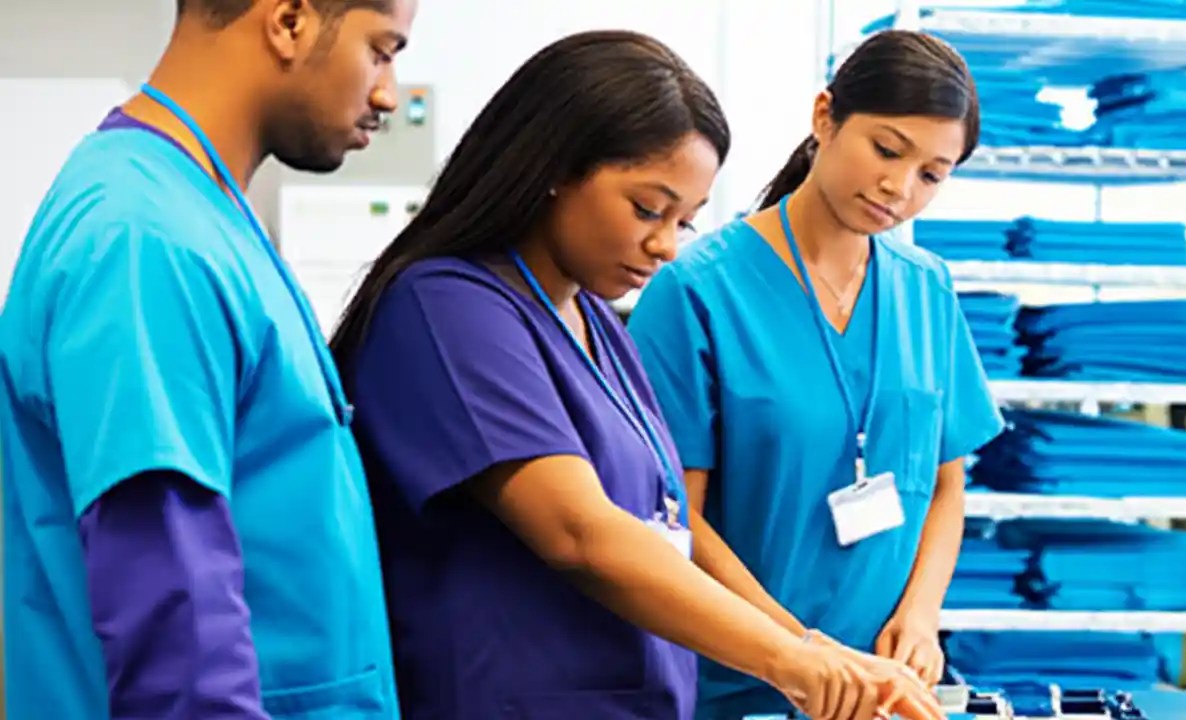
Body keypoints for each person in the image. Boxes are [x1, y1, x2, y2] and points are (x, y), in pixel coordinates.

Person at [329, 29, 944, 720]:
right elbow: (581, 533)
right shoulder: (448, 308)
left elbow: (665, 527)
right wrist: (794, 659)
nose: (665, 245)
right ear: (555, 166)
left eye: (685, 220)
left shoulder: (596, 322)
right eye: (648, 209)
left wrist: (817, 651)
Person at [0, 1, 416, 718]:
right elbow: (173, 612)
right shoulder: (141, 237)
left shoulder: (202, 209)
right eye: (381, 50)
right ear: (288, 20)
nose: (388, 92)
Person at [627, 29, 1005, 720]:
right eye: (887, 151)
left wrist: (920, 617)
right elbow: (676, 524)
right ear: (824, 116)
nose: (899, 187)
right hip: (739, 685)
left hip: (884, 690)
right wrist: (799, 651)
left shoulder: (927, 290)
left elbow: (949, 484)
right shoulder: (696, 293)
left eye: (932, 174)